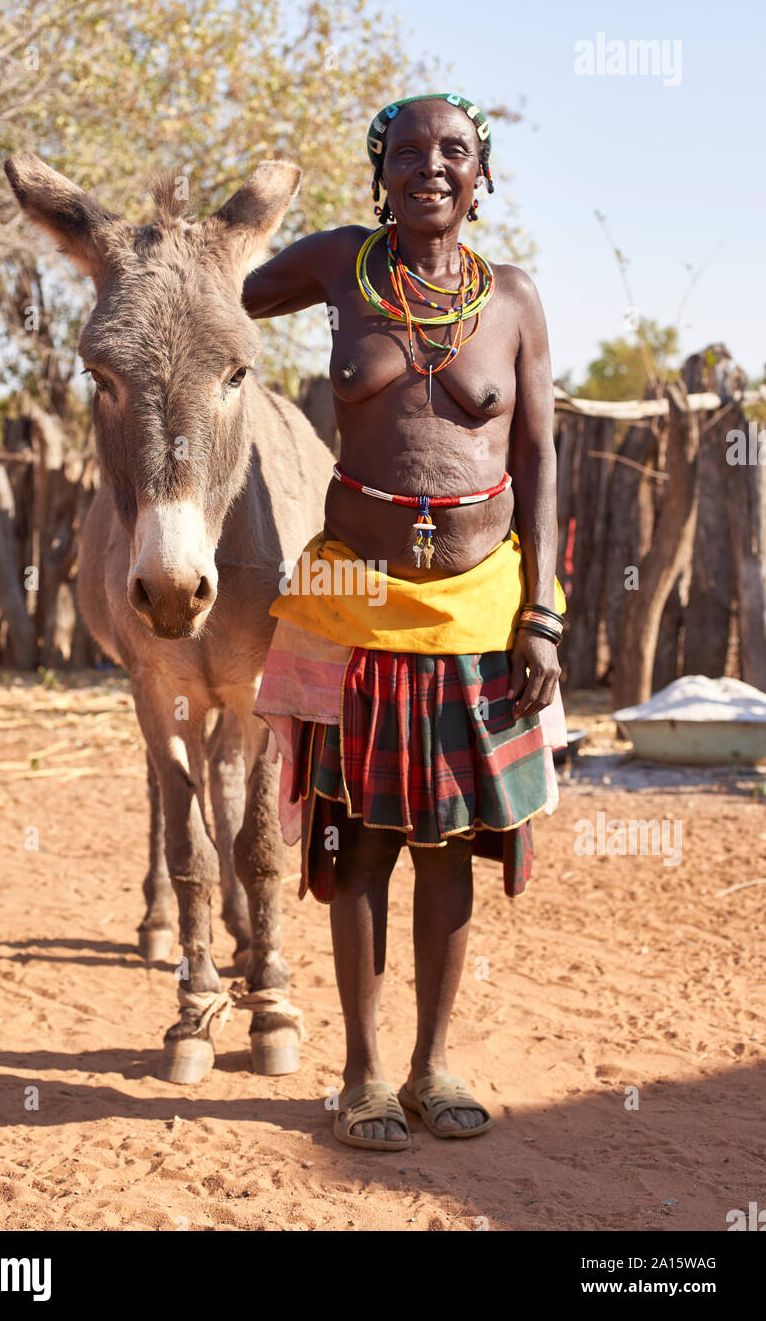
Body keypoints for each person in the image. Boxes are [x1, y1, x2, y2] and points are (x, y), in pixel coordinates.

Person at [242, 92, 567, 1152]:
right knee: (360, 840)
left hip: (476, 605)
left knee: (447, 848)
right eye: (410, 151)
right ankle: (363, 1075)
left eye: (455, 152)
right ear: (378, 170)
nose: (433, 166)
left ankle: (433, 1064)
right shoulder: (339, 268)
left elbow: (537, 460)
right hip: (355, 594)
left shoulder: (511, 298)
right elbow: (227, 292)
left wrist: (544, 618)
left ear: (482, 177)